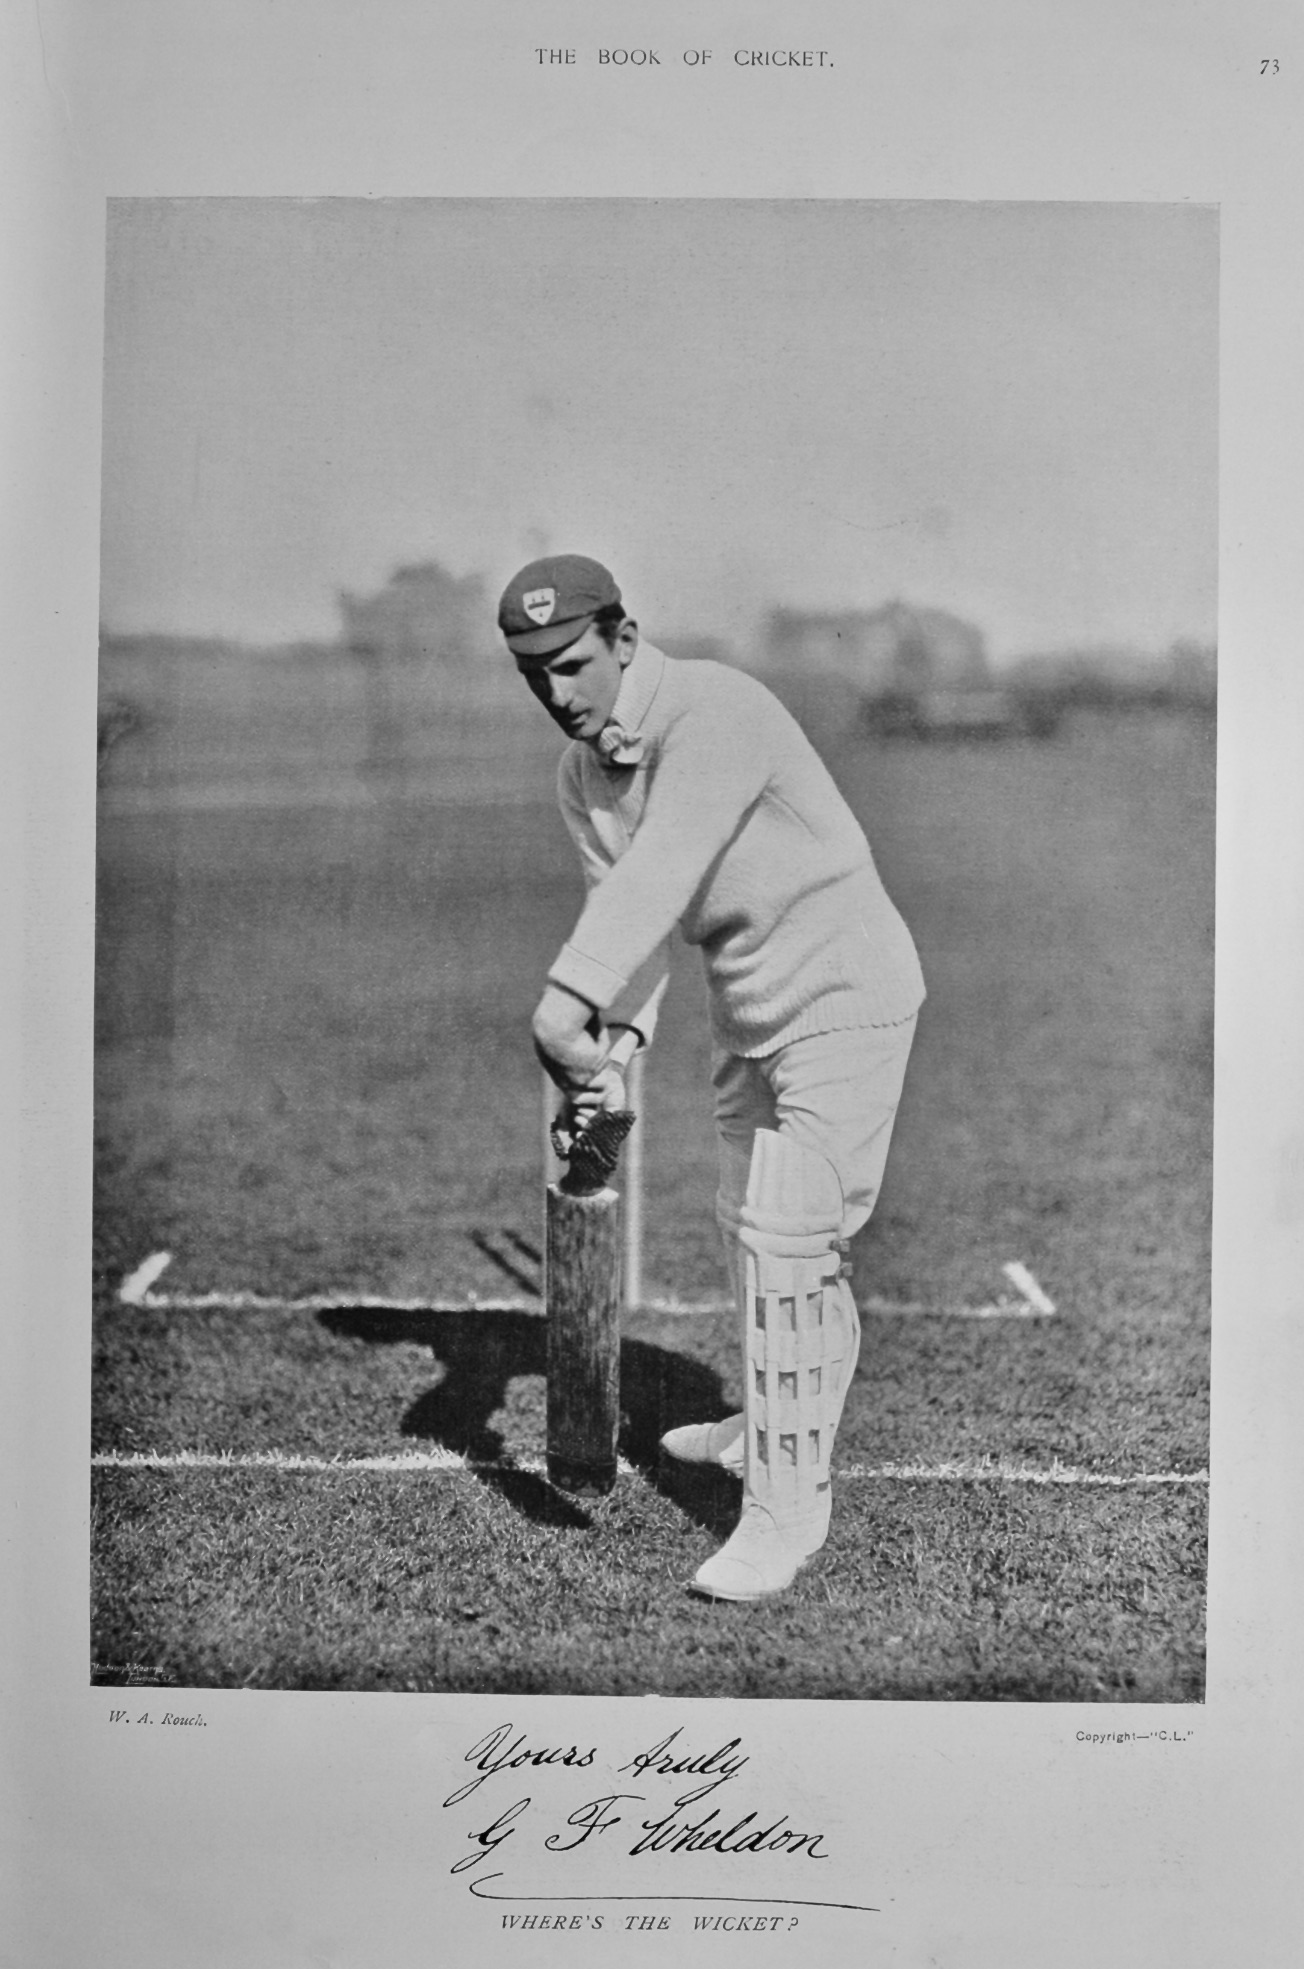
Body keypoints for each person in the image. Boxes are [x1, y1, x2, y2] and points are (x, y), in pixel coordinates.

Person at [497, 554, 926, 1602]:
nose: (558, 694)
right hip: (752, 1011)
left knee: (790, 1241)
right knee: (752, 1229)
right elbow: (633, 932)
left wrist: (561, 1009)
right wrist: (612, 1055)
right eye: (533, 675)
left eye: (572, 664)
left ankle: (784, 1515)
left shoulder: (717, 710)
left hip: (843, 995)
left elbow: (666, 867)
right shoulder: (583, 777)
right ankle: (768, 1424)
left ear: (624, 638)